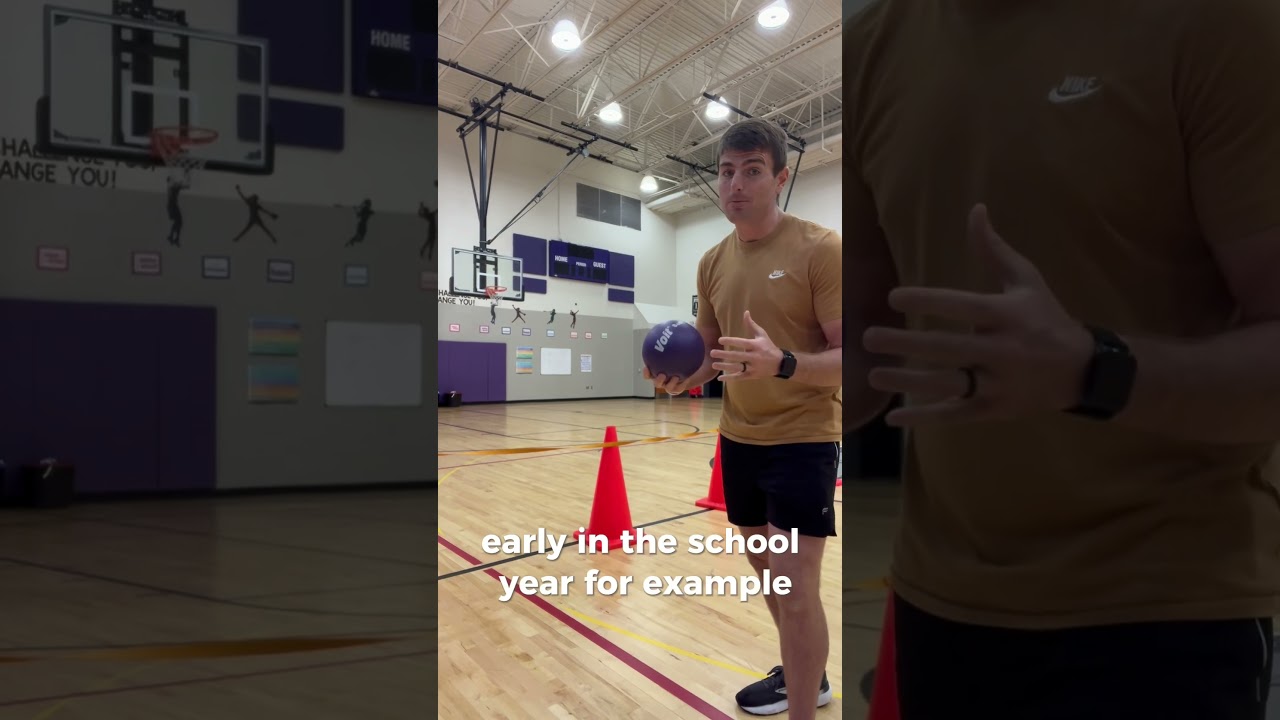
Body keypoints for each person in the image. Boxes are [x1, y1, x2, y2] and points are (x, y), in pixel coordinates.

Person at [845, 0, 1280, 717]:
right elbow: (866, 339)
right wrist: (777, 375)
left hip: (1163, 611)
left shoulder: (1221, 23)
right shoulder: (872, 45)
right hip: (939, 601)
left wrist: (1093, 367)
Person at [643, 117, 843, 718]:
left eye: (752, 170)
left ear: (779, 177)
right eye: (726, 172)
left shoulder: (821, 250)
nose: (735, 184)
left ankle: (805, 704)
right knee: (772, 579)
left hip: (803, 438)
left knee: (796, 586)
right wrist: (683, 379)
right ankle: (809, 672)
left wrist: (781, 363)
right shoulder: (710, 261)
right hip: (739, 440)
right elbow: (710, 353)